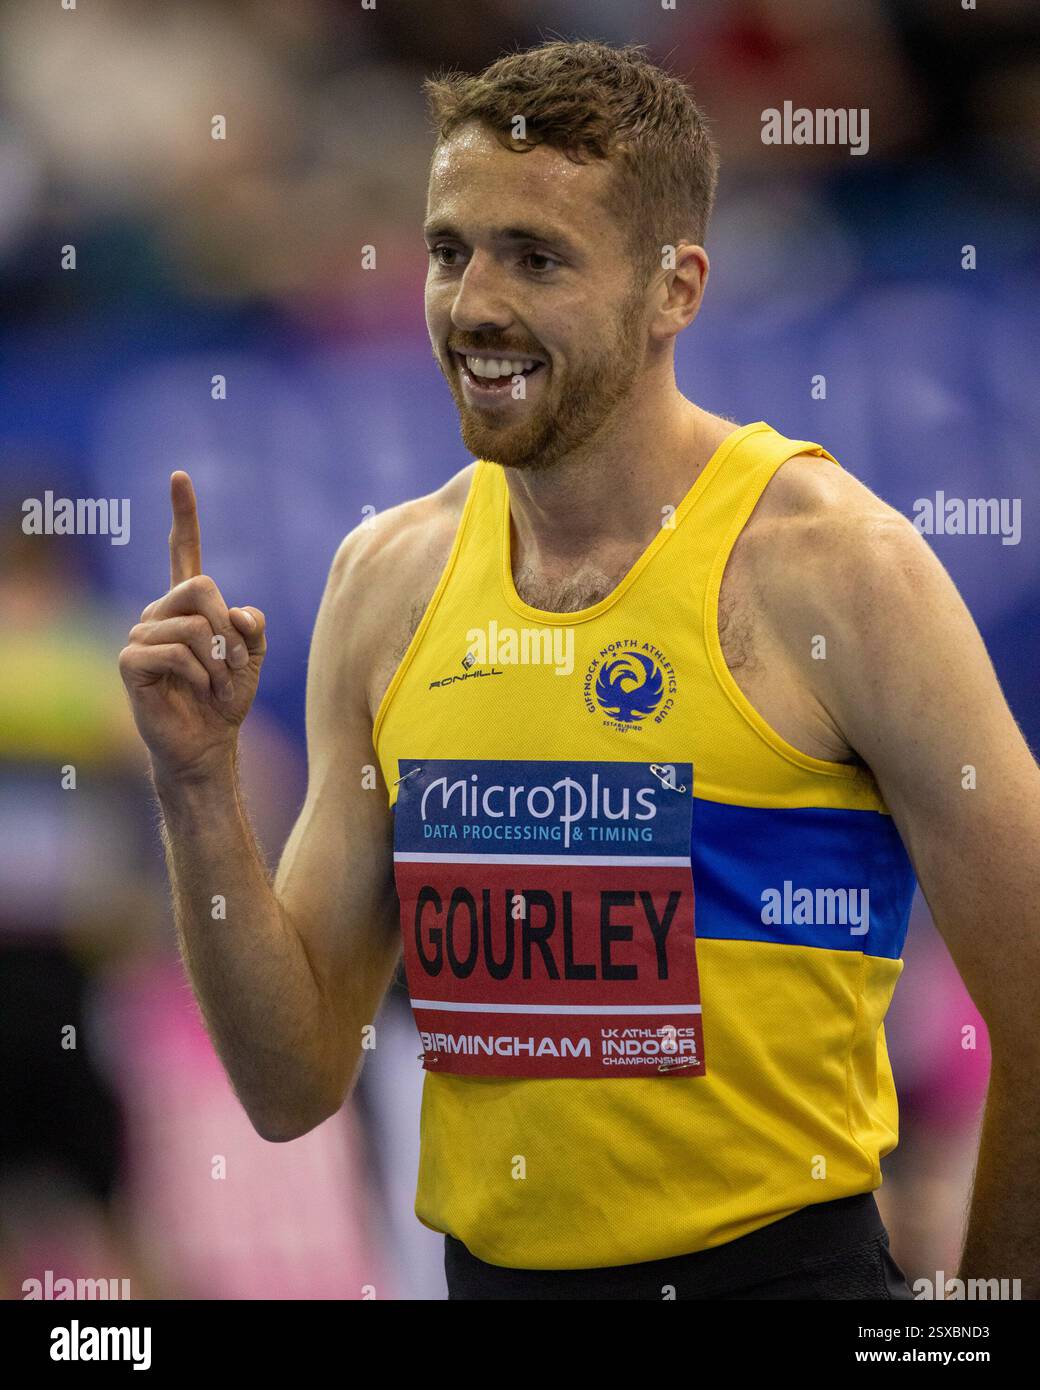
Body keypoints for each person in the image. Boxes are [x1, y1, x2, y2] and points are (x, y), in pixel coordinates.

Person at [118, 39, 1040, 1300]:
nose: (473, 304)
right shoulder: (385, 582)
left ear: (675, 289)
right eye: (450, 250)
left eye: (535, 258)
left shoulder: (836, 570)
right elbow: (290, 1086)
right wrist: (198, 785)